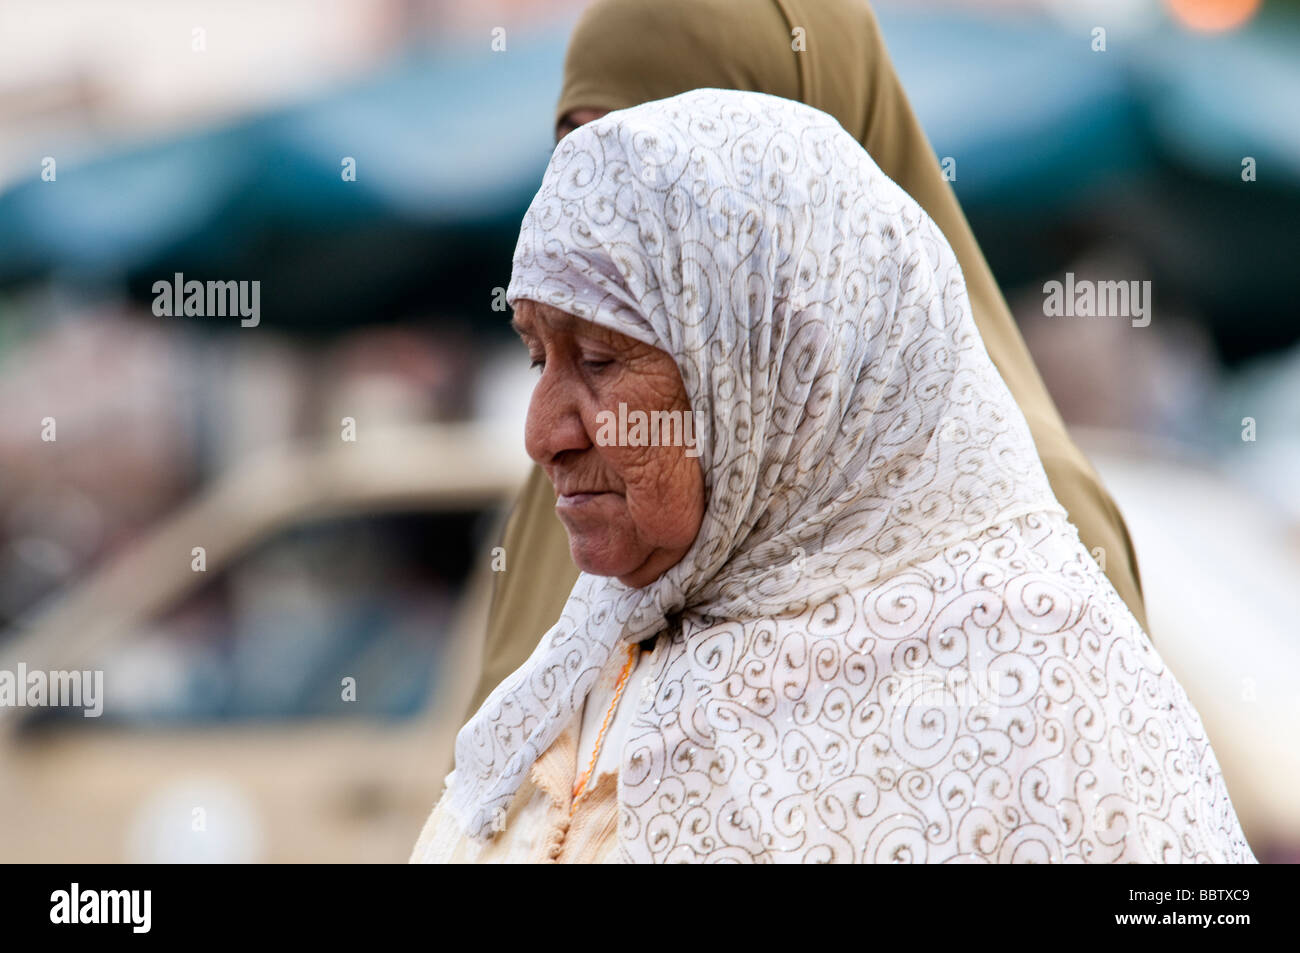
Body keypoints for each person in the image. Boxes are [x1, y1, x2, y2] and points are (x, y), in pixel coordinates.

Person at [411, 88, 1255, 863]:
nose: (541, 433)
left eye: (599, 359)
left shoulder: (1045, 684)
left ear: (778, 370)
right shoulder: (602, 644)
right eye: (535, 356)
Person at [465, 0, 1150, 734]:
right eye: (579, 151)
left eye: (667, 151)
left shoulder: (1025, 521)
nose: (608, 204)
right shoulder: (572, 497)